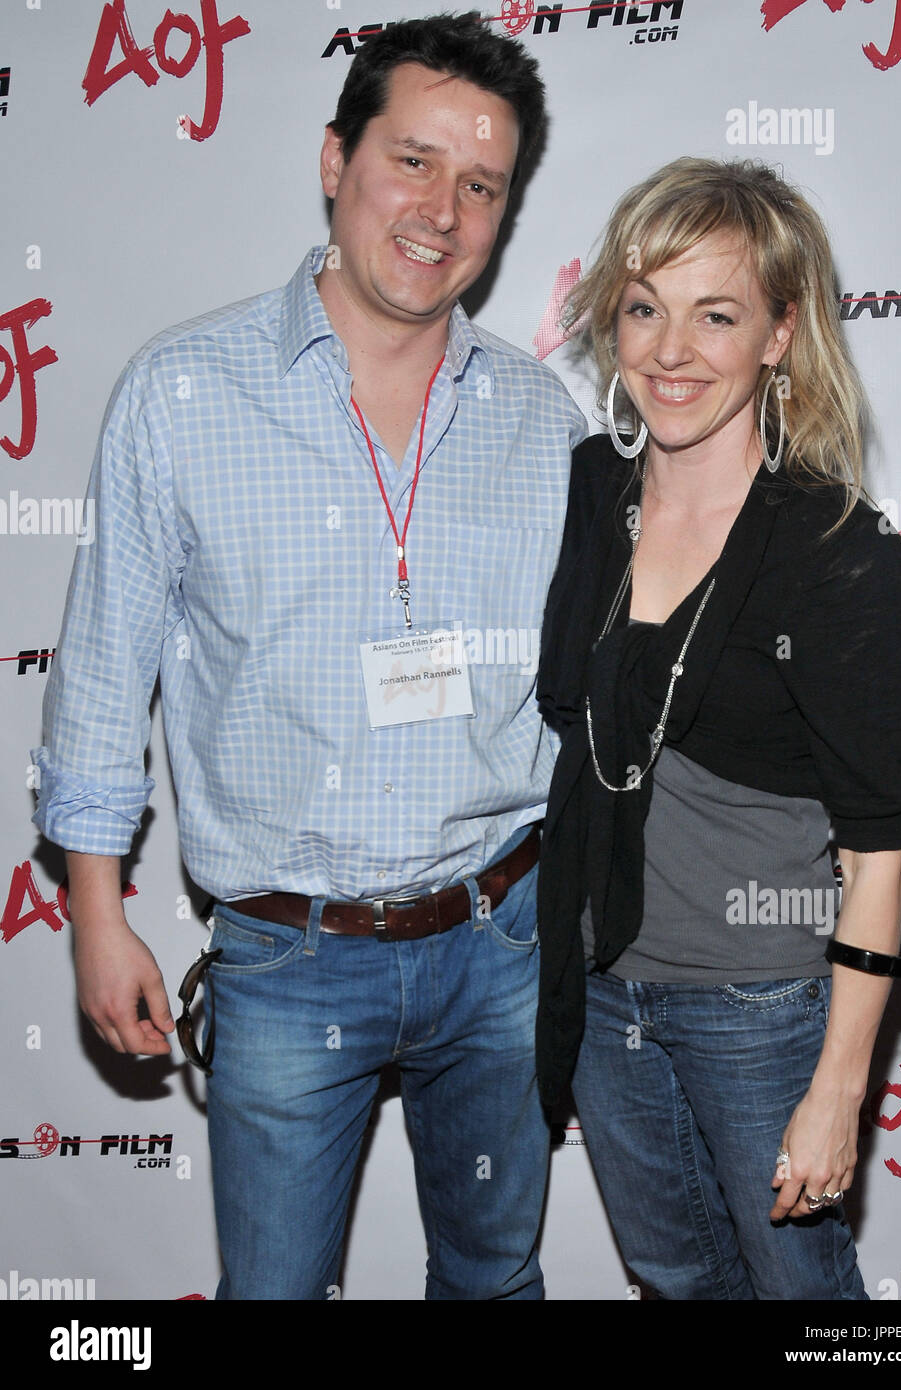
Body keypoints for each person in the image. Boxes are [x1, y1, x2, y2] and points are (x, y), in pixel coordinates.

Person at [31, 13, 585, 1300]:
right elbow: (107, 674)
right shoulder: (181, 394)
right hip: (288, 957)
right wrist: (98, 922)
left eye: (481, 183)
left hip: (503, 935)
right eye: (412, 160)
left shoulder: (542, 421)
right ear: (335, 160)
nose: (441, 210)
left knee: (496, 1279)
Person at [536, 157, 901, 1300]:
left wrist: (840, 1085)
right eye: (646, 307)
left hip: (760, 1003)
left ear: (779, 335)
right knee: (673, 1277)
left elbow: (880, 844)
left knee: (805, 1299)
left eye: (717, 315)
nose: (669, 350)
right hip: (603, 993)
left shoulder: (835, 549)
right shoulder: (585, 499)